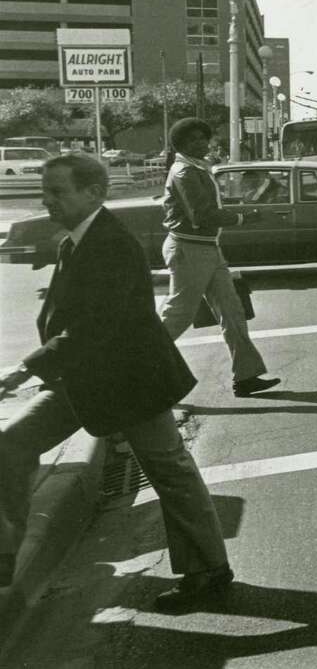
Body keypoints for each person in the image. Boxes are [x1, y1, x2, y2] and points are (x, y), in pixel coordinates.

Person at [0, 154, 231, 611]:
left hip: (130, 380)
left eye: (58, 192)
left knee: (170, 471)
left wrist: (24, 368)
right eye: (45, 192)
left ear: (94, 193)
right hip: (83, 376)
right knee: (11, 444)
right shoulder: (77, 239)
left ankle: (209, 570)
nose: (48, 201)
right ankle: (6, 561)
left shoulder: (110, 243)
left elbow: (91, 328)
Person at [157, 118, 279, 397]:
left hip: (206, 248)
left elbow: (210, 208)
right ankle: (135, 369)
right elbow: (201, 216)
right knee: (178, 316)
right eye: (194, 140)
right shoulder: (185, 172)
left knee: (232, 312)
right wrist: (242, 217)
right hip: (190, 249)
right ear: (181, 144)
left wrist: (240, 210)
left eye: (204, 137)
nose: (202, 143)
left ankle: (246, 376)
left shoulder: (197, 167)